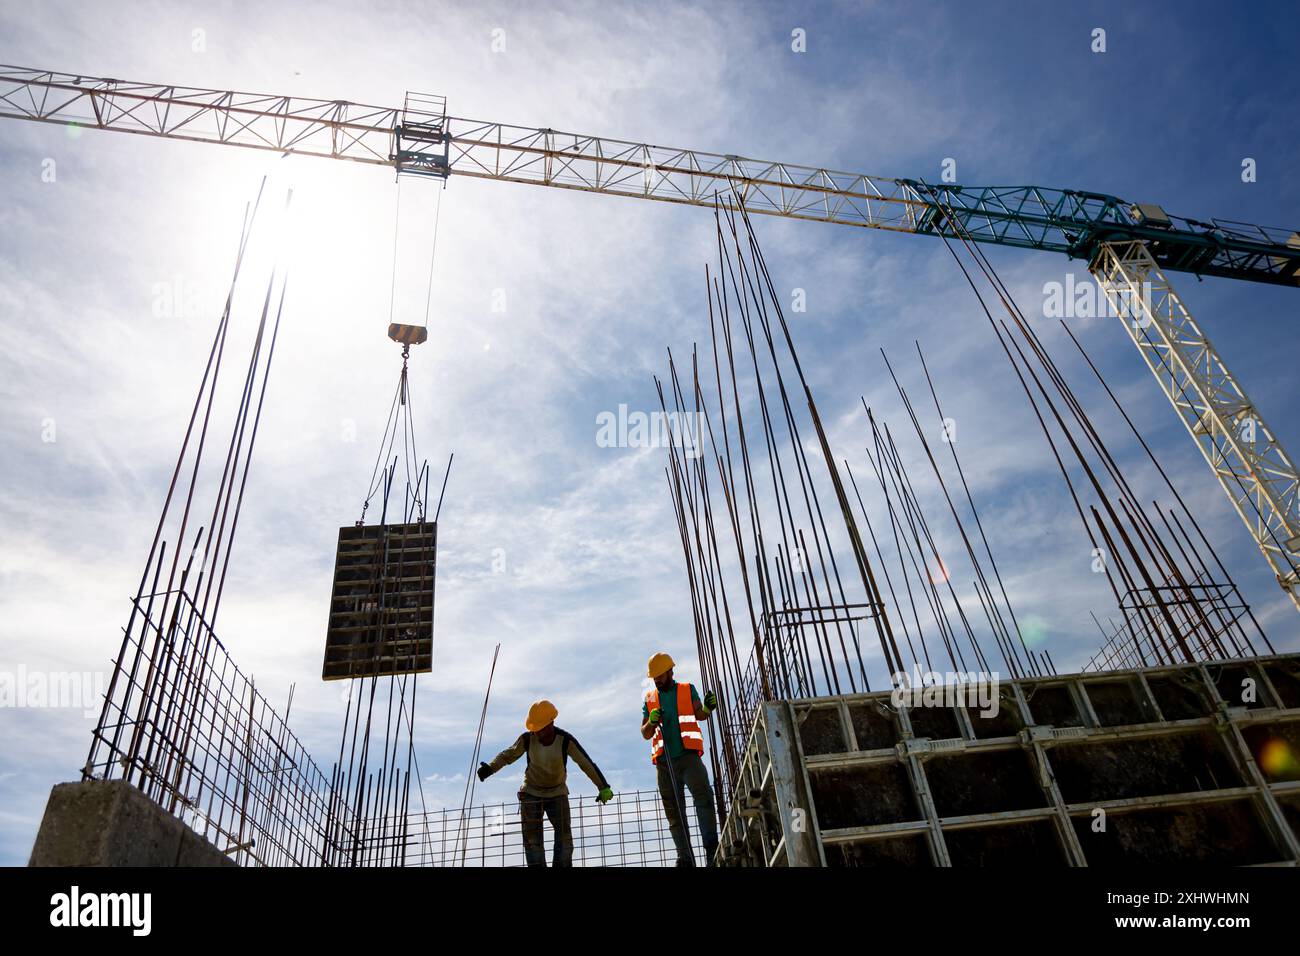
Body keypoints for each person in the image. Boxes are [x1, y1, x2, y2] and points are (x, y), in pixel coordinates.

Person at [477, 698, 613, 867]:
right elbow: (508, 755)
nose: (537, 734)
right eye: (535, 730)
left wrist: (603, 787)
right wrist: (490, 768)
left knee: (564, 840)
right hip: (531, 793)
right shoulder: (528, 739)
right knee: (533, 842)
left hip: (557, 793)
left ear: (551, 724)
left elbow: (585, 762)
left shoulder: (565, 740)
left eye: (540, 730)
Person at [641, 653, 719, 866]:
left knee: (703, 799)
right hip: (665, 764)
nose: (657, 679)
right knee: (674, 813)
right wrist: (651, 722)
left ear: (669, 672)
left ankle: (712, 850)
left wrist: (707, 708)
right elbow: (645, 733)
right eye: (654, 676)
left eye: (660, 675)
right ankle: (685, 857)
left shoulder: (686, 689)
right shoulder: (649, 699)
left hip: (689, 758)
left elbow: (699, 714)